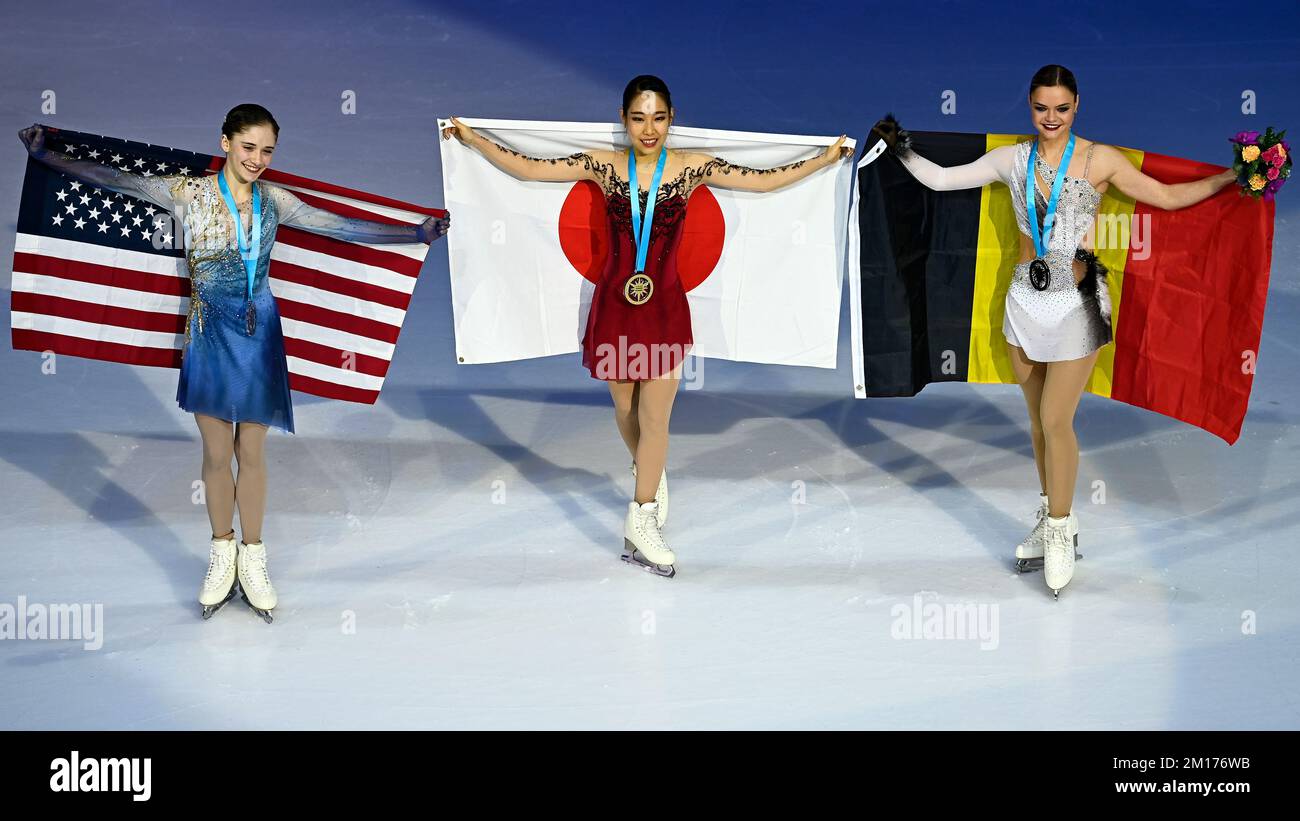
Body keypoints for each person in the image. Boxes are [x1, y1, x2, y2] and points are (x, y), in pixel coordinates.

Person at [19, 105, 450, 621]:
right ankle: (222, 552)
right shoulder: (188, 193)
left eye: (268, 151)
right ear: (225, 143)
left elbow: (338, 227)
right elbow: (116, 179)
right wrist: (49, 155)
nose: (258, 159)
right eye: (249, 147)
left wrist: (413, 235)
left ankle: (254, 554)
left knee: (253, 448)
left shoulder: (276, 201)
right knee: (218, 451)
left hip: (259, 334)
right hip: (207, 333)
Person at [443, 75, 850, 577]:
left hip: (663, 312)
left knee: (656, 418)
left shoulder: (690, 167)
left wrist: (824, 160)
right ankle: (649, 472)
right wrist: (471, 139)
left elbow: (762, 180)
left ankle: (642, 516)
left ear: (672, 117)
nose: (649, 128)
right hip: (615, 308)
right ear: (624, 119)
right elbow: (527, 169)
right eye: (639, 118)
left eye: (658, 117)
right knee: (624, 406)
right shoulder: (603, 164)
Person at [871, 64, 1235, 597]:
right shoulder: (1011, 160)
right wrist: (900, 145)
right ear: (1030, 106)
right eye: (1042, 108)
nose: (1051, 118)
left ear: (1077, 107)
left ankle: (1063, 531)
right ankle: (1050, 515)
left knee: (1055, 419)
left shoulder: (1100, 160)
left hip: (1077, 308)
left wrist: (1232, 177)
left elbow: (1168, 197)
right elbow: (944, 179)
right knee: (1038, 426)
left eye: (1062, 109)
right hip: (1023, 304)